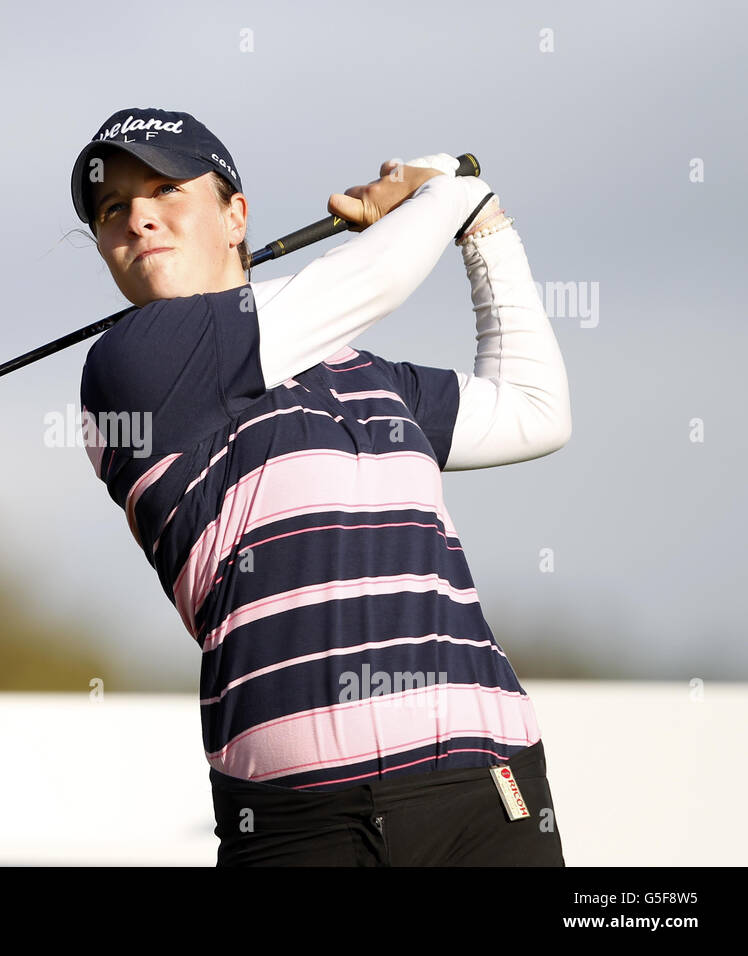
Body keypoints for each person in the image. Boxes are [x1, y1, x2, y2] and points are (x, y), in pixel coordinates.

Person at [71, 107, 572, 866]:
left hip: (486, 793)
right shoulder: (131, 366)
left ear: (235, 215)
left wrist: (486, 227)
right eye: (114, 208)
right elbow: (381, 275)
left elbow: (536, 413)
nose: (139, 218)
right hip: (302, 825)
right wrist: (449, 189)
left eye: (168, 189)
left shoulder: (370, 378)